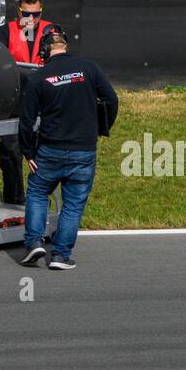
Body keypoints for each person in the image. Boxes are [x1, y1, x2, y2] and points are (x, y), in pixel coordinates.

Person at [17, 24, 118, 270]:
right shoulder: (89, 68)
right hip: (84, 150)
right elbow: (111, 99)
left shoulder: (38, 77)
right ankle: (61, 256)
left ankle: (33, 244)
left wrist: (27, 152)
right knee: (73, 204)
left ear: (44, 49)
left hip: (50, 150)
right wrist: (101, 128)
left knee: (38, 194)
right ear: (65, 46)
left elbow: (27, 120)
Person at [0, 0, 54, 206]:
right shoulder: (5, 32)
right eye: (26, 14)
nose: (31, 19)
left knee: (43, 154)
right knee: (11, 151)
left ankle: (39, 200)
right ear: (18, 12)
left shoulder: (51, 32)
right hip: (14, 101)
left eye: (36, 14)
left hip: (42, 102)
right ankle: (14, 200)